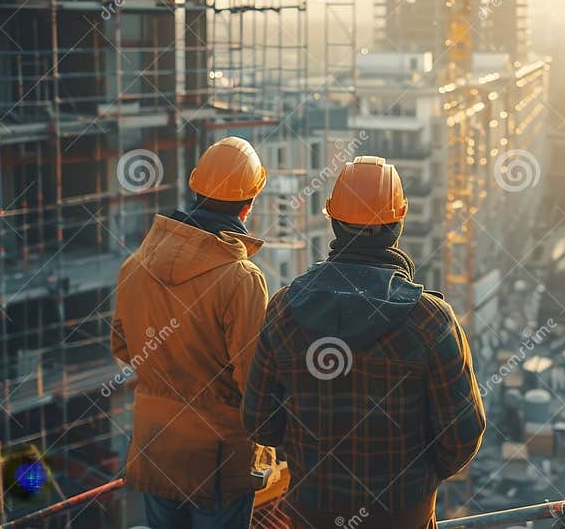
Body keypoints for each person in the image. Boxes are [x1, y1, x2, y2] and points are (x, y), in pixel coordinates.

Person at [242, 156, 486, 529]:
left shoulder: (284, 310)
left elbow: (260, 422)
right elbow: (463, 433)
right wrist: (413, 480)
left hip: (313, 509)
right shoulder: (429, 320)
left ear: (334, 221)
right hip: (402, 513)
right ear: (398, 223)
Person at [111, 136, 273, 528]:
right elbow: (256, 380)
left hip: (156, 447)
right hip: (217, 458)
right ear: (247, 205)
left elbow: (122, 343)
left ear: (195, 189)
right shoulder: (241, 279)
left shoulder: (136, 266)